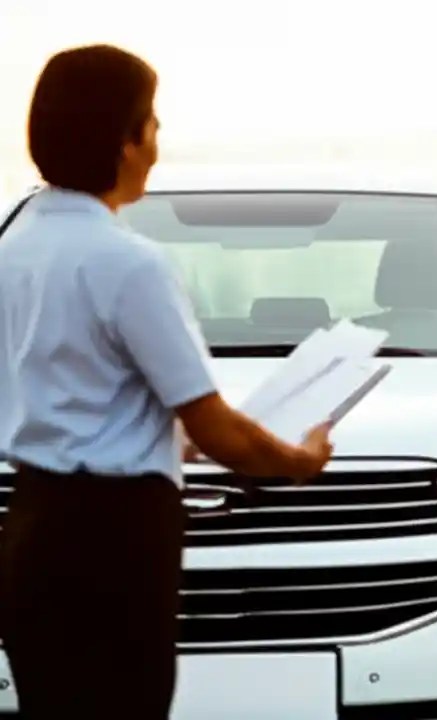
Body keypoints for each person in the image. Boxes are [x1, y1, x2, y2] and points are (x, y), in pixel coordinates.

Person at [0, 44, 333, 719]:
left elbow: (65, 392)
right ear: (122, 141)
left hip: (30, 529)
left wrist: (158, 440)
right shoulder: (131, 264)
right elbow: (214, 425)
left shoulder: (13, 250)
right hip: (116, 539)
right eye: (150, 124)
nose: (157, 142)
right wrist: (299, 460)